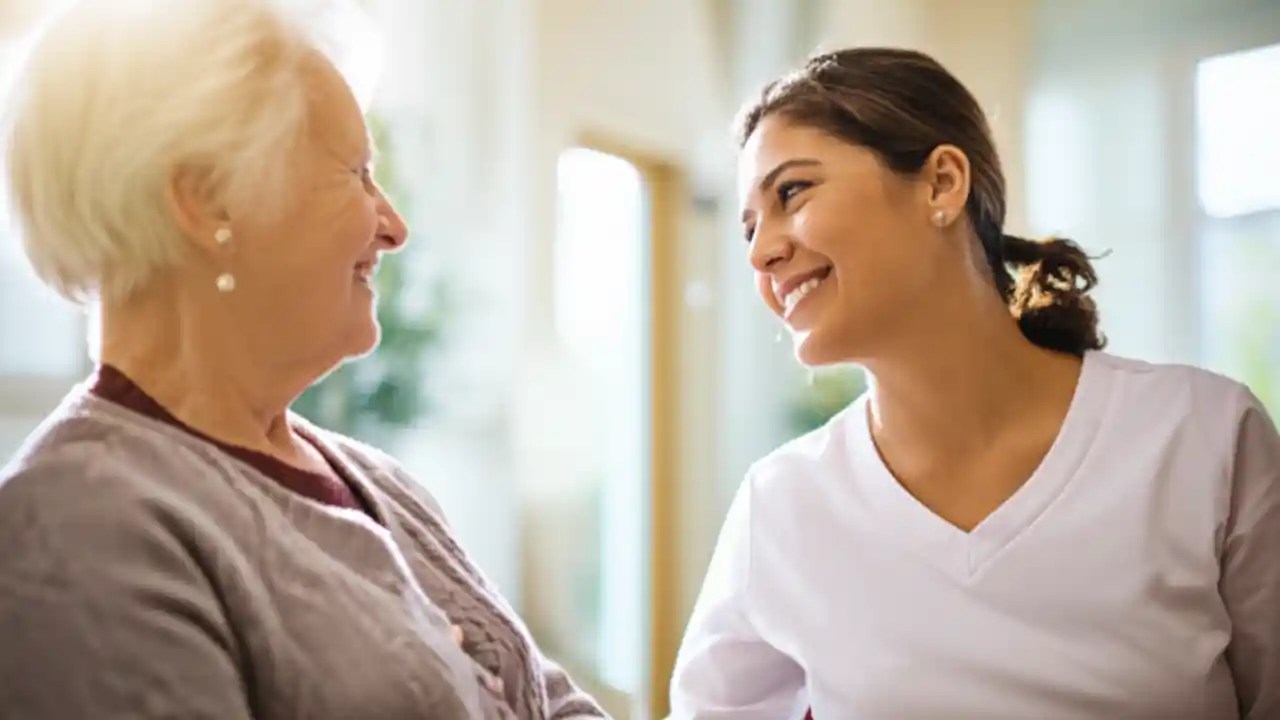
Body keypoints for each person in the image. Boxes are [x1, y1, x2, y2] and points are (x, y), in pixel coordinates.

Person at [0, 1, 605, 718]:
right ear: (206, 198)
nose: (394, 226)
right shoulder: (80, 526)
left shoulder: (381, 484)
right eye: (357, 173)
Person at [670, 47, 1279, 719]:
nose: (761, 252)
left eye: (792, 193)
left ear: (941, 183)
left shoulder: (1204, 435)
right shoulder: (783, 504)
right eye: (749, 229)